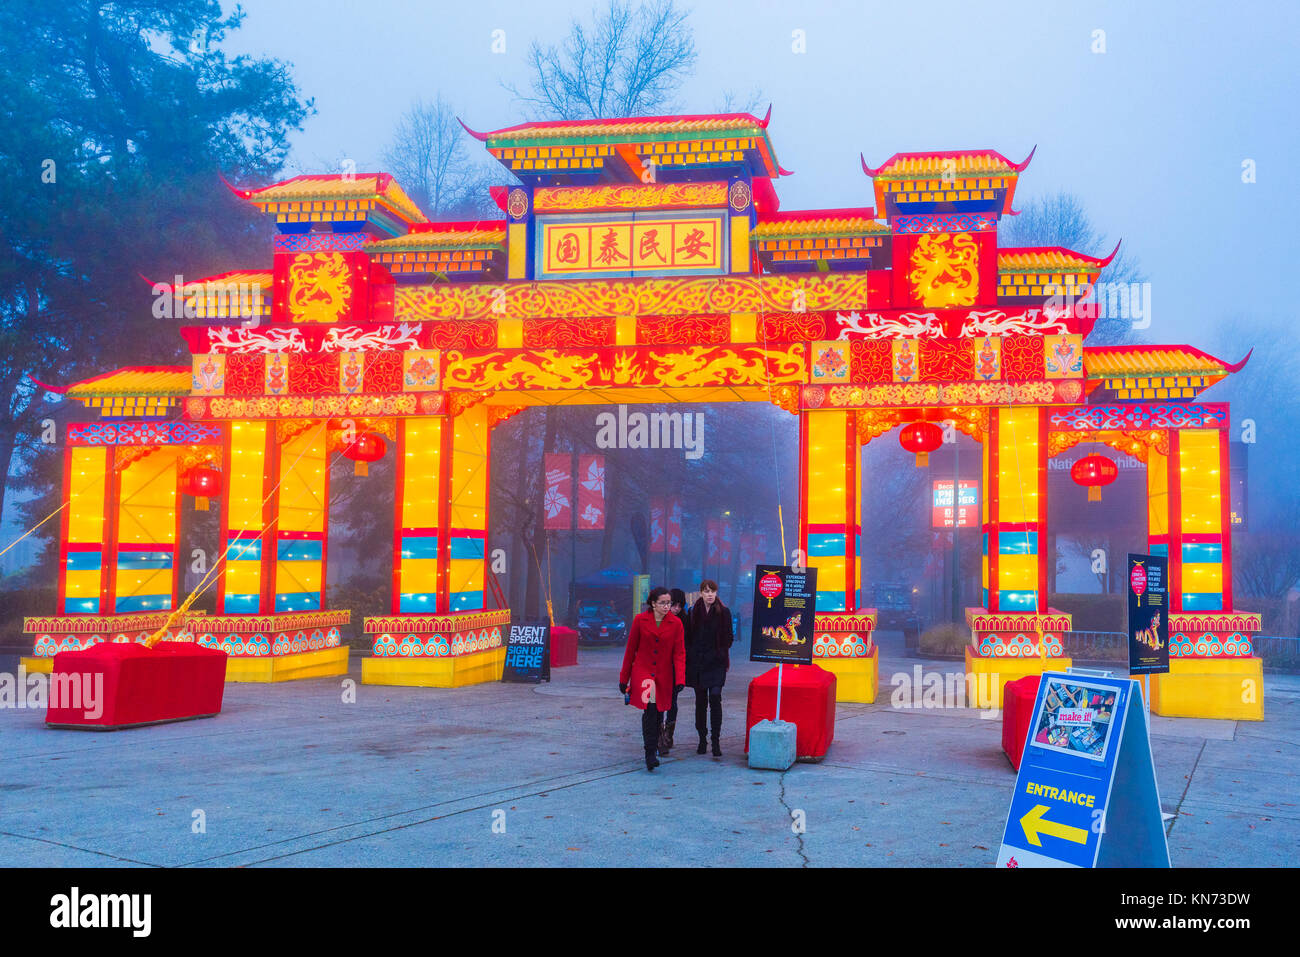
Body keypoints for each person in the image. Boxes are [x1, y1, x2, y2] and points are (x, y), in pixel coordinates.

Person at [619, 586, 685, 772]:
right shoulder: (640, 620)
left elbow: (679, 653)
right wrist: (624, 678)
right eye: (663, 603)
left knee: (658, 713)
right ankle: (650, 753)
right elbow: (630, 650)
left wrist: (680, 678)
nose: (667, 607)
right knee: (650, 710)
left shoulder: (676, 624)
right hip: (644, 672)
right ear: (653, 603)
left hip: (664, 673)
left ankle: (654, 747)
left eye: (668, 603)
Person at [687, 579, 733, 757]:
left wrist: (720, 653)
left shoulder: (724, 612)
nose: (709, 594)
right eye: (706, 591)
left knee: (715, 698)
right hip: (698, 664)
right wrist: (692, 655)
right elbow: (688, 638)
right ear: (700, 593)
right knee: (700, 702)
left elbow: (729, 637)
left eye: (712, 591)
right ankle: (702, 739)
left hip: (716, 664)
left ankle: (715, 741)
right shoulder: (692, 612)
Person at [657, 588, 690, 756]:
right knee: (658, 704)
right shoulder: (660, 619)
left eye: (679, 606)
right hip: (659, 668)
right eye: (673, 605)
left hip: (675, 669)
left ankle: (668, 735)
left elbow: (686, 650)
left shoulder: (684, 621)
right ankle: (660, 737)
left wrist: (681, 675)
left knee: (672, 702)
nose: (676, 609)